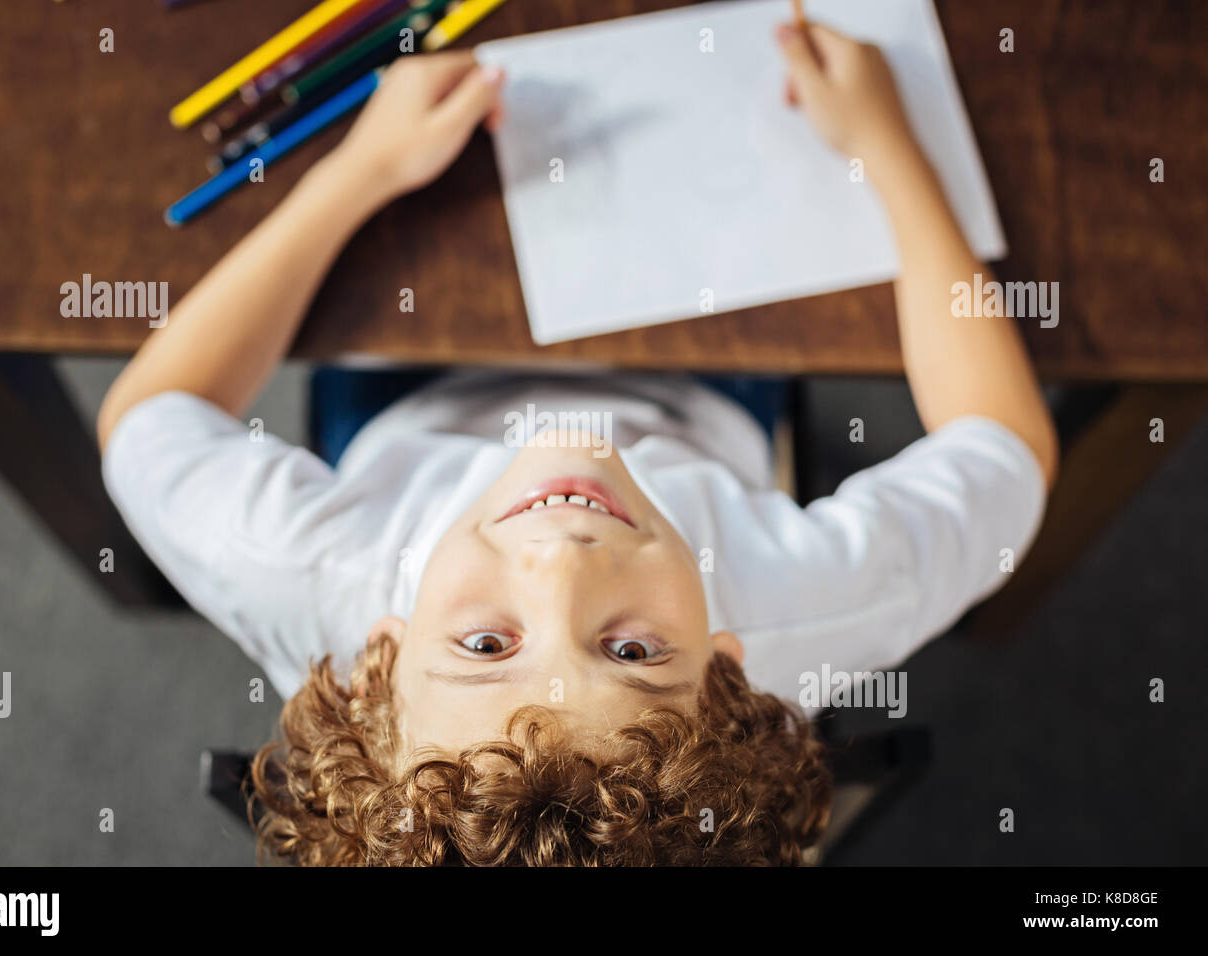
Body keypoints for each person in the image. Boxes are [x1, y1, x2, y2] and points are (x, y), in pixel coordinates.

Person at [97, 23, 1057, 866]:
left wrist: (358, 172)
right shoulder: (804, 608)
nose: (560, 560)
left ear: (376, 666)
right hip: (703, 379)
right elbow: (1005, 447)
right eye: (634, 650)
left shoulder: (308, 567)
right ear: (727, 674)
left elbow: (149, 413)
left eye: (483, 644)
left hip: (405, 387)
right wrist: (887, 151)